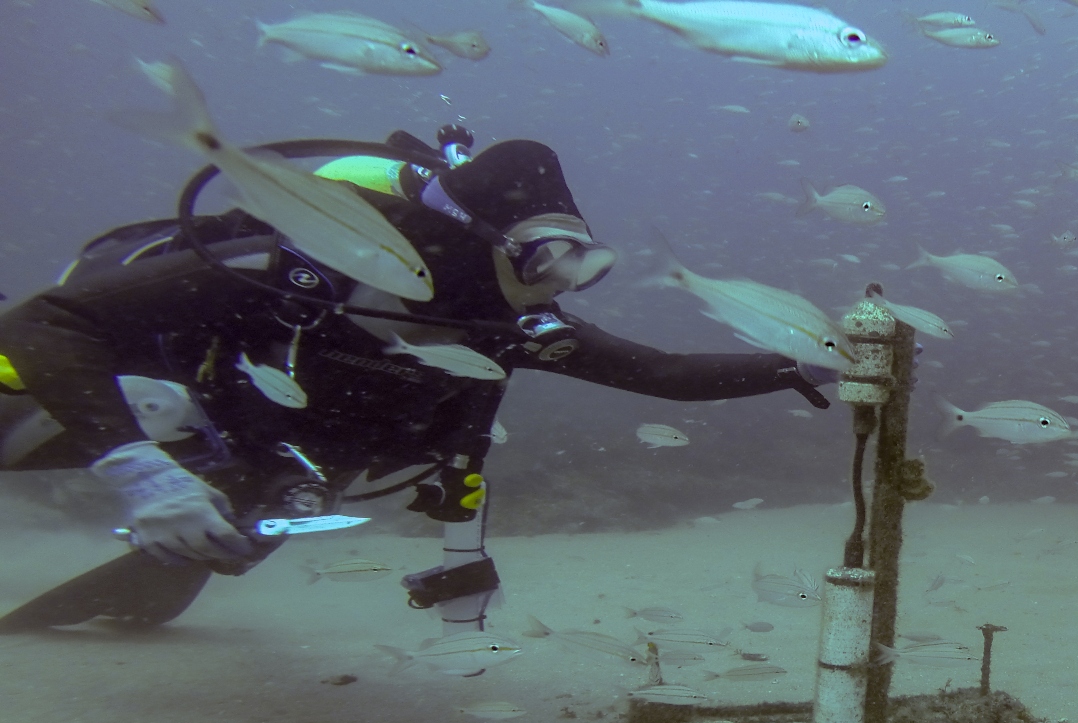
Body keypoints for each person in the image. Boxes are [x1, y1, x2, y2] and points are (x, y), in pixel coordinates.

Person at [0, 127, 836, 638]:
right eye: (540, 258)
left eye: (575, 261)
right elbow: (46, 323)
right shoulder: (296, 270)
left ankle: (152, 567)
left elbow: (662, 375)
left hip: (285, 462)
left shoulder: (511, 323)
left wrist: (800, 363)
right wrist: (140, 472)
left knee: (210, 547)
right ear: (469, 238)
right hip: (171, 416)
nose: (560, 287)